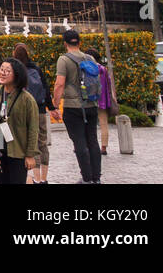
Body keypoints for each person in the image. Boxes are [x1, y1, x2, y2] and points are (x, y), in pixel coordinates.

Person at [53, 29, 101, 184]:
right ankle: (96, 177)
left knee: (79, 142)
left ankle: (87, 178)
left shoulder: (64, 60)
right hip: (91, 105)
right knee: (92, 141)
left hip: (73, 107)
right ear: (80, 42)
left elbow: (60, 84)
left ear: (65, 43)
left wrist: (55, 105)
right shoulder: (90, 58)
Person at [0, 57, 39, 184]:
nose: (2, 73)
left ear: (17, 75)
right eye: (1, 69)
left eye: (7, 71)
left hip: (17, 152)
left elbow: (33, 129)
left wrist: (30, 155)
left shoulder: (27, 99)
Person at [13, 42, 51, 184]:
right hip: (40, 109)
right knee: (42, 143)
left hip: (24, 111)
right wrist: (51, 107)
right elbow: (46, 88)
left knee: (32, 144)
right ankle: (44, 178)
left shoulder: (16, 70)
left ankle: (36, 177)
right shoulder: (36, 68)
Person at [86, 48, 115, 155]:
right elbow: (108, 84)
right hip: (102, 99)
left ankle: (89, 146)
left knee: (88, 124)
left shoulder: (85, 68)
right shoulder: (103, 69)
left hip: (89, 100)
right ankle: (104, 147)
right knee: (104, 123)